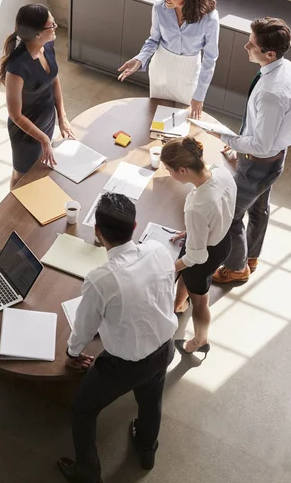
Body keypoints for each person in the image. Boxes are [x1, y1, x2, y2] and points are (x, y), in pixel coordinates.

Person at [57, 193, 177, 483]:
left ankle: (88, 473)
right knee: (150, 399)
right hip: (165, 348)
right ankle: (146, 449)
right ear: (135, 226)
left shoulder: (101, 278)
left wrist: (73, 354)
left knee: (82, 408)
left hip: (125, 366)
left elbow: (84, 328)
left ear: (97, 232)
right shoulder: (158, 250)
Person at [210, 17, 291, 285]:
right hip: (272, 159)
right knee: (259, 209)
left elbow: (261, 145)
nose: (245, 46)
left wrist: (227, 137)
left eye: (252, 44)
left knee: (229, 216)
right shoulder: (286, 67)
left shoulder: (272, 94)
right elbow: (265, 135)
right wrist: (242, 145)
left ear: (270, 53)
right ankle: (252, 256)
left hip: (259, 164)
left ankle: (237, 268)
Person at [160, 137, 236, 356]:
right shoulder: (221, 172)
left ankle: (200, 340)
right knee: (189, 279)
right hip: (222, 239)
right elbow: (220, 210)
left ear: (182, 170)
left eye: (169, 169)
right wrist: (194, 232)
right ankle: (177, 304)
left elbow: (196, 257)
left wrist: (168, 268)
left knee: (200, 300)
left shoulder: (197, 208)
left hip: (205, 255)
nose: (168, 173)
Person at [118, 0, 219, 119]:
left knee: (180, 121)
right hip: (161, 68)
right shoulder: (159, 7)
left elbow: (210, 58)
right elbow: (153, 39)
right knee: (155, 117)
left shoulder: (209, 18)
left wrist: (199, 95)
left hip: (188, 73)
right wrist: (140, 59)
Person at [0, 4, 76, 189]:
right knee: (21, 174)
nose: (56, 26)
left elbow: (53, 80)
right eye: (51, 25)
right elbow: (15, 115)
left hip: (46, 120)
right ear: (38, 33)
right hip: (25, 131)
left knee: (39, 169)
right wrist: (43, 138)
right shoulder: (17, 67)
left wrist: (62, 117)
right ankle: (11, 211)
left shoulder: (47, 45)